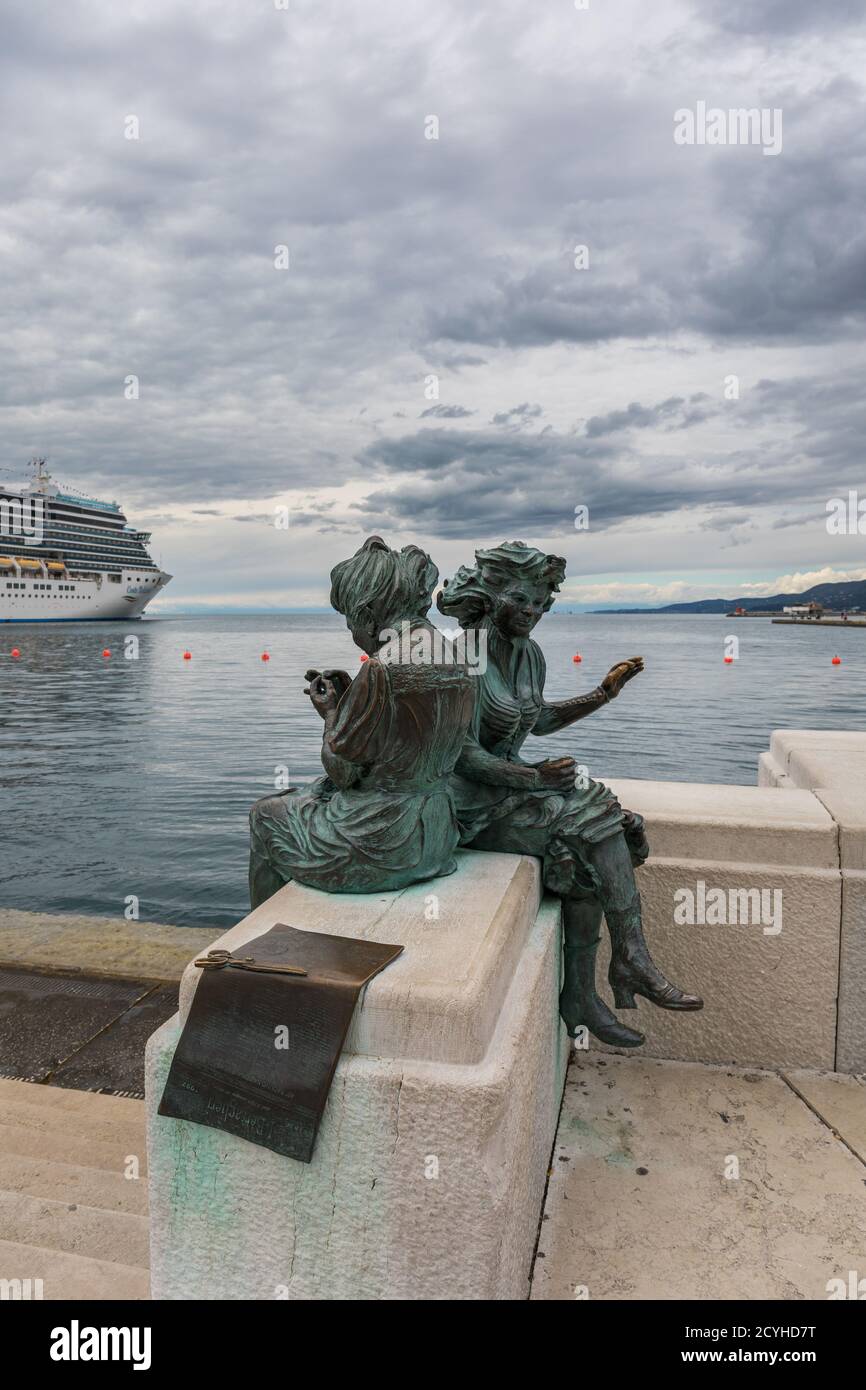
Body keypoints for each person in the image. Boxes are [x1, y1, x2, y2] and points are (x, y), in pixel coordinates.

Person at [438, 540, 702, 1047]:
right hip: (470, 805)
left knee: (599, 825)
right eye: (523, 601)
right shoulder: (461, 659)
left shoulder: (530, 655)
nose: (533, 614)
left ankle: (595, 986)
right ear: (492, 597)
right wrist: (535, 779)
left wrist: (601, 695)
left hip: (516, 786)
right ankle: (623, 966)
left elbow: (538, 721)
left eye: (542, 604)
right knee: (593, 826)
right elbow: (460, 754)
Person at [249, 536, 476, 904]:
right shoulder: (457, 656)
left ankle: (252, 953)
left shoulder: (382, 668)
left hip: (384, 843)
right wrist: (355, 699)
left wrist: (332, 714)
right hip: (437, 836)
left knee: (265, 815)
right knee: (309, 794)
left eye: (350, 621)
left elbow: (344, 773)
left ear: (368, 616)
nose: (352, 632)